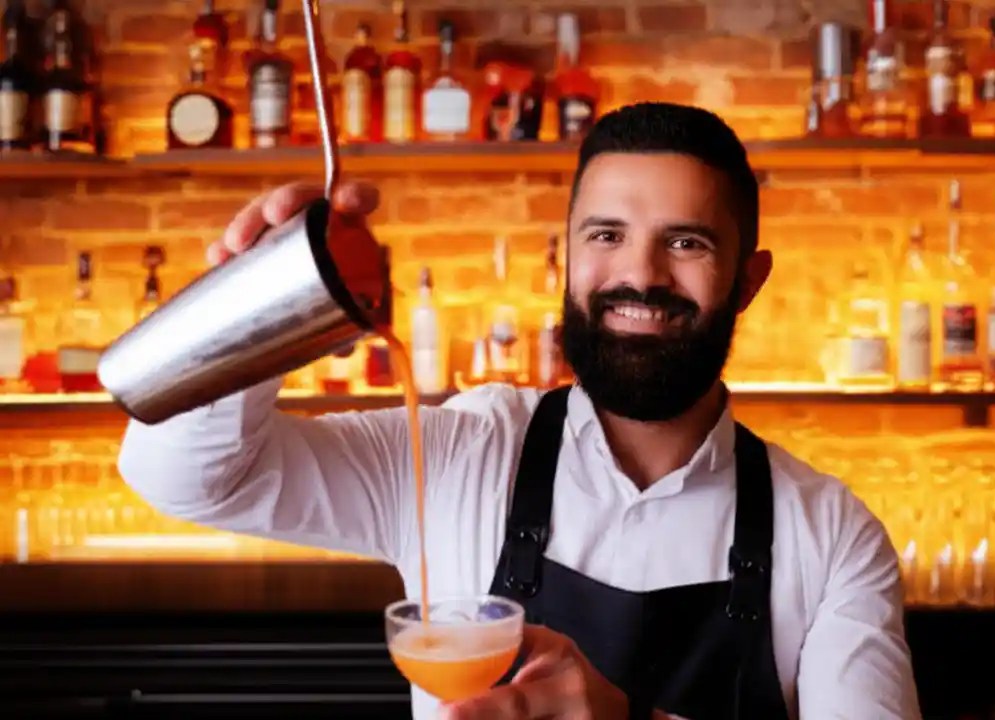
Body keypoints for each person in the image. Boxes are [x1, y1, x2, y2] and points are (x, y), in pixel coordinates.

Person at [118, 102, 922, 720]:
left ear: (748, 279)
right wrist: (254, 309)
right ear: (568, 255)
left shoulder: (830, 535)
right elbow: (185, 478)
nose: (640, 275)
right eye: (606, 235)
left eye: (686, 243)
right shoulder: (457, 453)